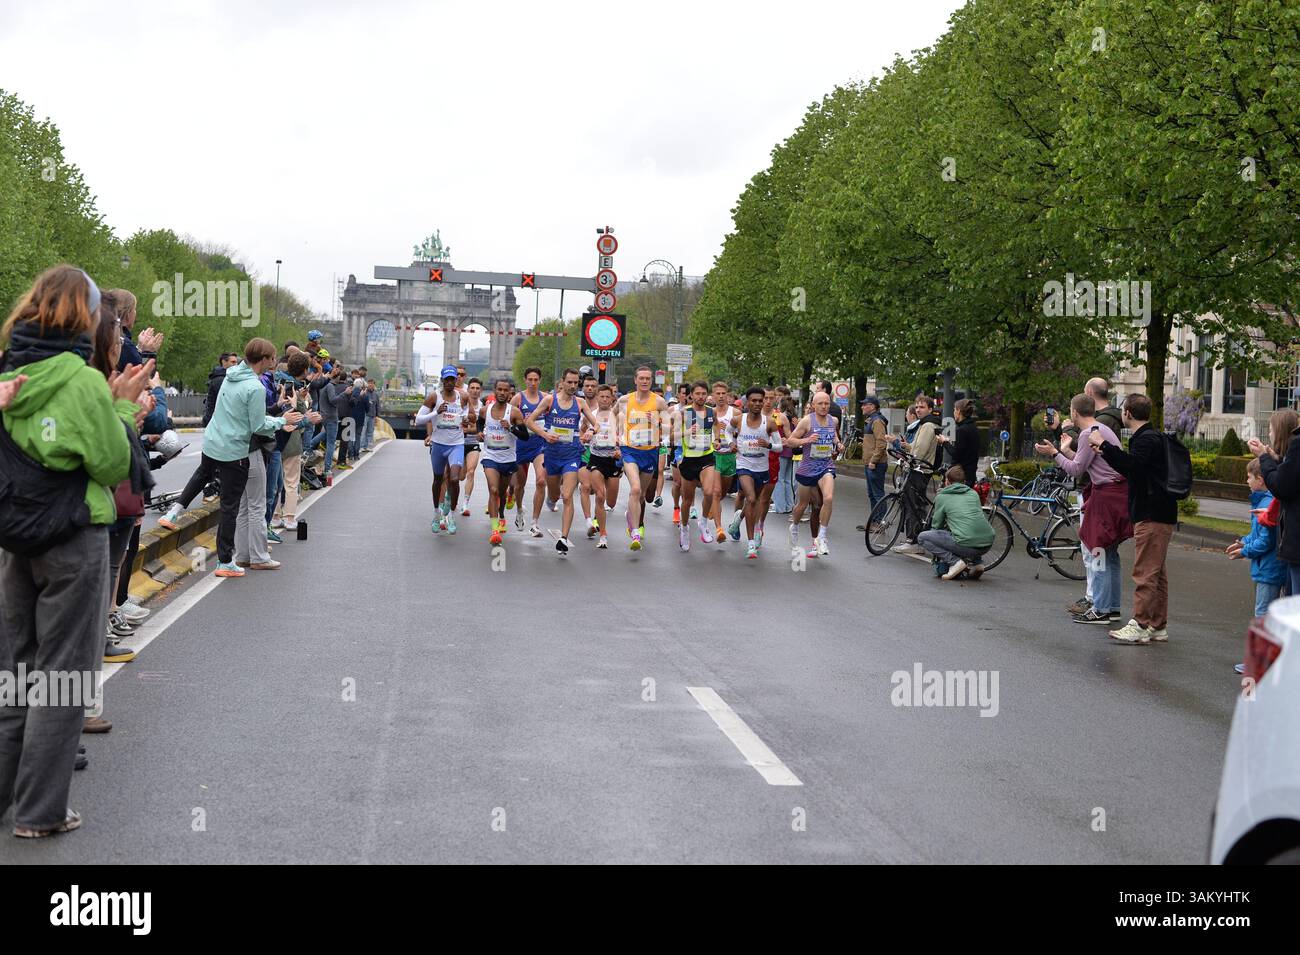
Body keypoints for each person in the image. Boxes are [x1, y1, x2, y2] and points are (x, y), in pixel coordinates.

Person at [0, 265, 152, 837]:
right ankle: (40, 812)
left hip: (15, 542)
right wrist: (118, 410)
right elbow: (112, 465)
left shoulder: (11, 373)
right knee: (62, 681)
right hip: (72, 537)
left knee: (14, 673)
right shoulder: (80, 380)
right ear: (85, 317)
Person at [204, 338, 303, 576]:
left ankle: (244, 555)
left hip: (227, 448)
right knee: (258, 504)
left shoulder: (230, 376)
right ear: (266, 359)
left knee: (242, 506)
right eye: (272, 358)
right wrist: (282, 421)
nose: (274, 362)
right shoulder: (255, 387)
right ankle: (259, 555)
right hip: (249, 449)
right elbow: (258, 425)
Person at [1035, 393, 1131, 625]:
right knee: (1110, 554)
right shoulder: (1101, 430)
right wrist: (1067, 450)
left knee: (1096, 549)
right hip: (1117, 495)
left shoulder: (1089, 434)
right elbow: (1085, 462)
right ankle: (1112, 607)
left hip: (1105, 499)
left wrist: (1055, 454)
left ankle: (1100, 608)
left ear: (1075, 412)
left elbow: (1077, 471)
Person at [1090, 394, 1177, 644]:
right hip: (1160, 512)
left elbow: (1133, 466)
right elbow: (1132, 467)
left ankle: (1140, 624)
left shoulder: (1146, 440)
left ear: (1127, 412)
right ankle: (1157, 625)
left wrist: (1105, 446)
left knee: (1145, 572)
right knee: (1157, 572)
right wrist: (1107, 451)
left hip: (1151, 514)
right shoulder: (1152, 437)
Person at [526, 368, 598, 554]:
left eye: (576, 383)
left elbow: (595, 423)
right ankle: (551, 500)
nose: (573, 386)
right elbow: (530, 421)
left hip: (572, 455)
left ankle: (564, 539)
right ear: (563, 382)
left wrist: (591, 431)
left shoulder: (580, 403)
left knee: (567, 496)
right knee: (554, 495)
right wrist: (544, 434)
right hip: (551, 455)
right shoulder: (550, 400)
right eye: (570, 382)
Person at [617, 366, 670, 550]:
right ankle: (635, 532)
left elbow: (670, 427)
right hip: (630, 450)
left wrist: (656, 423)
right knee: (636, 488)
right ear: (635, 380)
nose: (645, 381)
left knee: (640, 497)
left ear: (652, 381)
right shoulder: (625, 400)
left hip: (650, 452)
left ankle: (631, 516)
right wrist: (616, 434)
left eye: (648, 378)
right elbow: (612, 414)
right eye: (642, 378)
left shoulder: (660, 402)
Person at [1249, 408, 1300, 598]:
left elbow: (1282, 486)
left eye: (1270, 429)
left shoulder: (1297, 444)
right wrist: (1276, 459)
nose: (1269, 433)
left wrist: (1264, 458)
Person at [1227, 458, 1286, 618]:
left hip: (1269, 568)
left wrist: (1244, 551)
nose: (1246, 481)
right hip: (1269, 567)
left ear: (1260, 480)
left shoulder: (1266, 504)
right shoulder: (1264, 500)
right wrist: (1244, 542)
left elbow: (1266, 541)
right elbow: (1257, 534)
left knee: (1263, 614)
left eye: (1249, 477)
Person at [415, 365, 467, 534]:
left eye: (453, 379)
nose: (450, 382)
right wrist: (436, 413)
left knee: (454, 478)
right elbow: (418, 420)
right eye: (447, 379)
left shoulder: (463, 397)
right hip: (438, 444)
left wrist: (467, 419)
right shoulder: (433, 397)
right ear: (442, 381)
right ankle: (437, 513)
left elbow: (469, 415)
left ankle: (451, 515)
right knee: (438, 479)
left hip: (457, 444)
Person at [787, 391, 840, 558]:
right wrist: (806, 441)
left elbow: (835, 437)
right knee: (802, 505)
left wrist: (839, 444)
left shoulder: (834, 420)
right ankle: (794, 526)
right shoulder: (806, 421)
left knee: (828, 498)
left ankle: (822, 538)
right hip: (808, 468)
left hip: (826, 466)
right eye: (820, 404)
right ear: (813, 405)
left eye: (826, 403)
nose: (824, 406)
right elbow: (790, 441)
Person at [918, 466, 995, 579]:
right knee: (967, 529)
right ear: (964, 482)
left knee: (923, 537)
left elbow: (937, 525)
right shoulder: (973, 493)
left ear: (947, 481)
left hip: (967, 544)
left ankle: (955, 562)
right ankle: (977, 563)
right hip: (987, 543)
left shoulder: (942, 497)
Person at [891, 395, 941, 554]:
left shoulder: (927, 426)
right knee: (915, 503)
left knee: (913, 504)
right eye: (917, 407)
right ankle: (916, 539)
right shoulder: (924, 424)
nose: (918, 409)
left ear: (930, 409)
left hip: (919, 469)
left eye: (922, 407)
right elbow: (916, 447)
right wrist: (907, 446)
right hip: (919, 468)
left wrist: (909, 454)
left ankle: (913, 540)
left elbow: (920, 451)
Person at [480, 377, 527, 545]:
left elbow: (525, 436)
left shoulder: (514, 412)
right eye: (499, 389)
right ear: (494, 391)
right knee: (493, 490)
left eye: (505, 390)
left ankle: (501, 514)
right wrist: (480, 433)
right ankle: (494, 530)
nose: (502, 393)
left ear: (509, 393)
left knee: (501, 493)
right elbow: (480, 424)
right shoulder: (485, 410)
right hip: (490, 456)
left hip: (508, 458)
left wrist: (512, 428)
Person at [510, 367, 549, 535]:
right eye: (530, 379)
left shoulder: (546, 398)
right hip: (521, 446)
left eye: (536, 380)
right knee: (520, 485)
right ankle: (519, 511)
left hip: (539, 445)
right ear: (525, 380)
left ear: (539, 380)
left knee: (541, 481)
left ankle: (535, 523)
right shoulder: (518, 398)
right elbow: (507, 417)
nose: (533, 383)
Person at [583, 384, 622, 549]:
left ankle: (599, 518)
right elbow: (581, 433)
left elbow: (625, 436)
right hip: (596, 459)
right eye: (602, 396)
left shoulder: (618, 416)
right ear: (597, 398)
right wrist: (585, 437)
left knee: (611, 503)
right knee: (600, 496)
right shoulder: (590, 415)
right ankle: (603, 535)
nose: (605, 399)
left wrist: (620, 449)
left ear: (613, 398)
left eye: (608, 397)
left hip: (613, 461)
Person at [709, 381, 738, 544]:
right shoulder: (709, 413)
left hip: (729, 456)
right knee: (716, 492)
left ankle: (714, 507)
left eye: (723, 393)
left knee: (723, 492)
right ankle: (719, 529)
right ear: (713, 396)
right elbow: (702, 434)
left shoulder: (736, 412)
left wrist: (735, 443)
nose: (720, 396)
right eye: (717, 394)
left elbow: (743, 432)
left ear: (727, 395)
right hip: (714, 455)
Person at [934, 398, 979, 487]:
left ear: (958, 411)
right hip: (970, 474)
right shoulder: (973, 427)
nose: (954, 412)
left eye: (954, 409)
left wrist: (944, 442)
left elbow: (955, 453)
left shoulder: (961, 430)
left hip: (959, 475)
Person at [859, 394, 889, 514]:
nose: (862, 407)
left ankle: (880, 522)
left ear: (872, 406)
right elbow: (875, 441)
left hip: (876, 464)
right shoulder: (871, 420)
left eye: (865, 404)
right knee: (872, 494)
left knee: (877, 494)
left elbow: (881, 443)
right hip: (871, 462)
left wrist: (873, 460)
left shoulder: (877, 421)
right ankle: (875, 520)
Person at [459, 377, 483, 516]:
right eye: (472, 388)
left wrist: (473, 431)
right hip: (458, 443)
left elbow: (482, 427)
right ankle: (450, 497)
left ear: (480, 391)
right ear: (467, 390)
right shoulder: (461, 404)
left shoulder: (483, 407)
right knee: (459, 476)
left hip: (473, 443)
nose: (474, 391)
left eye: (477, 388)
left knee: (471, 472)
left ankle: (465, 504)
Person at [202, 353, 238, 426]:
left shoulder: (227, 378)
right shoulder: (220, 380)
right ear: (224, 362)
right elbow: (228, 400)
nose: (236, 365)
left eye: (236, 362)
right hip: (216, 422)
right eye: (233, 362)